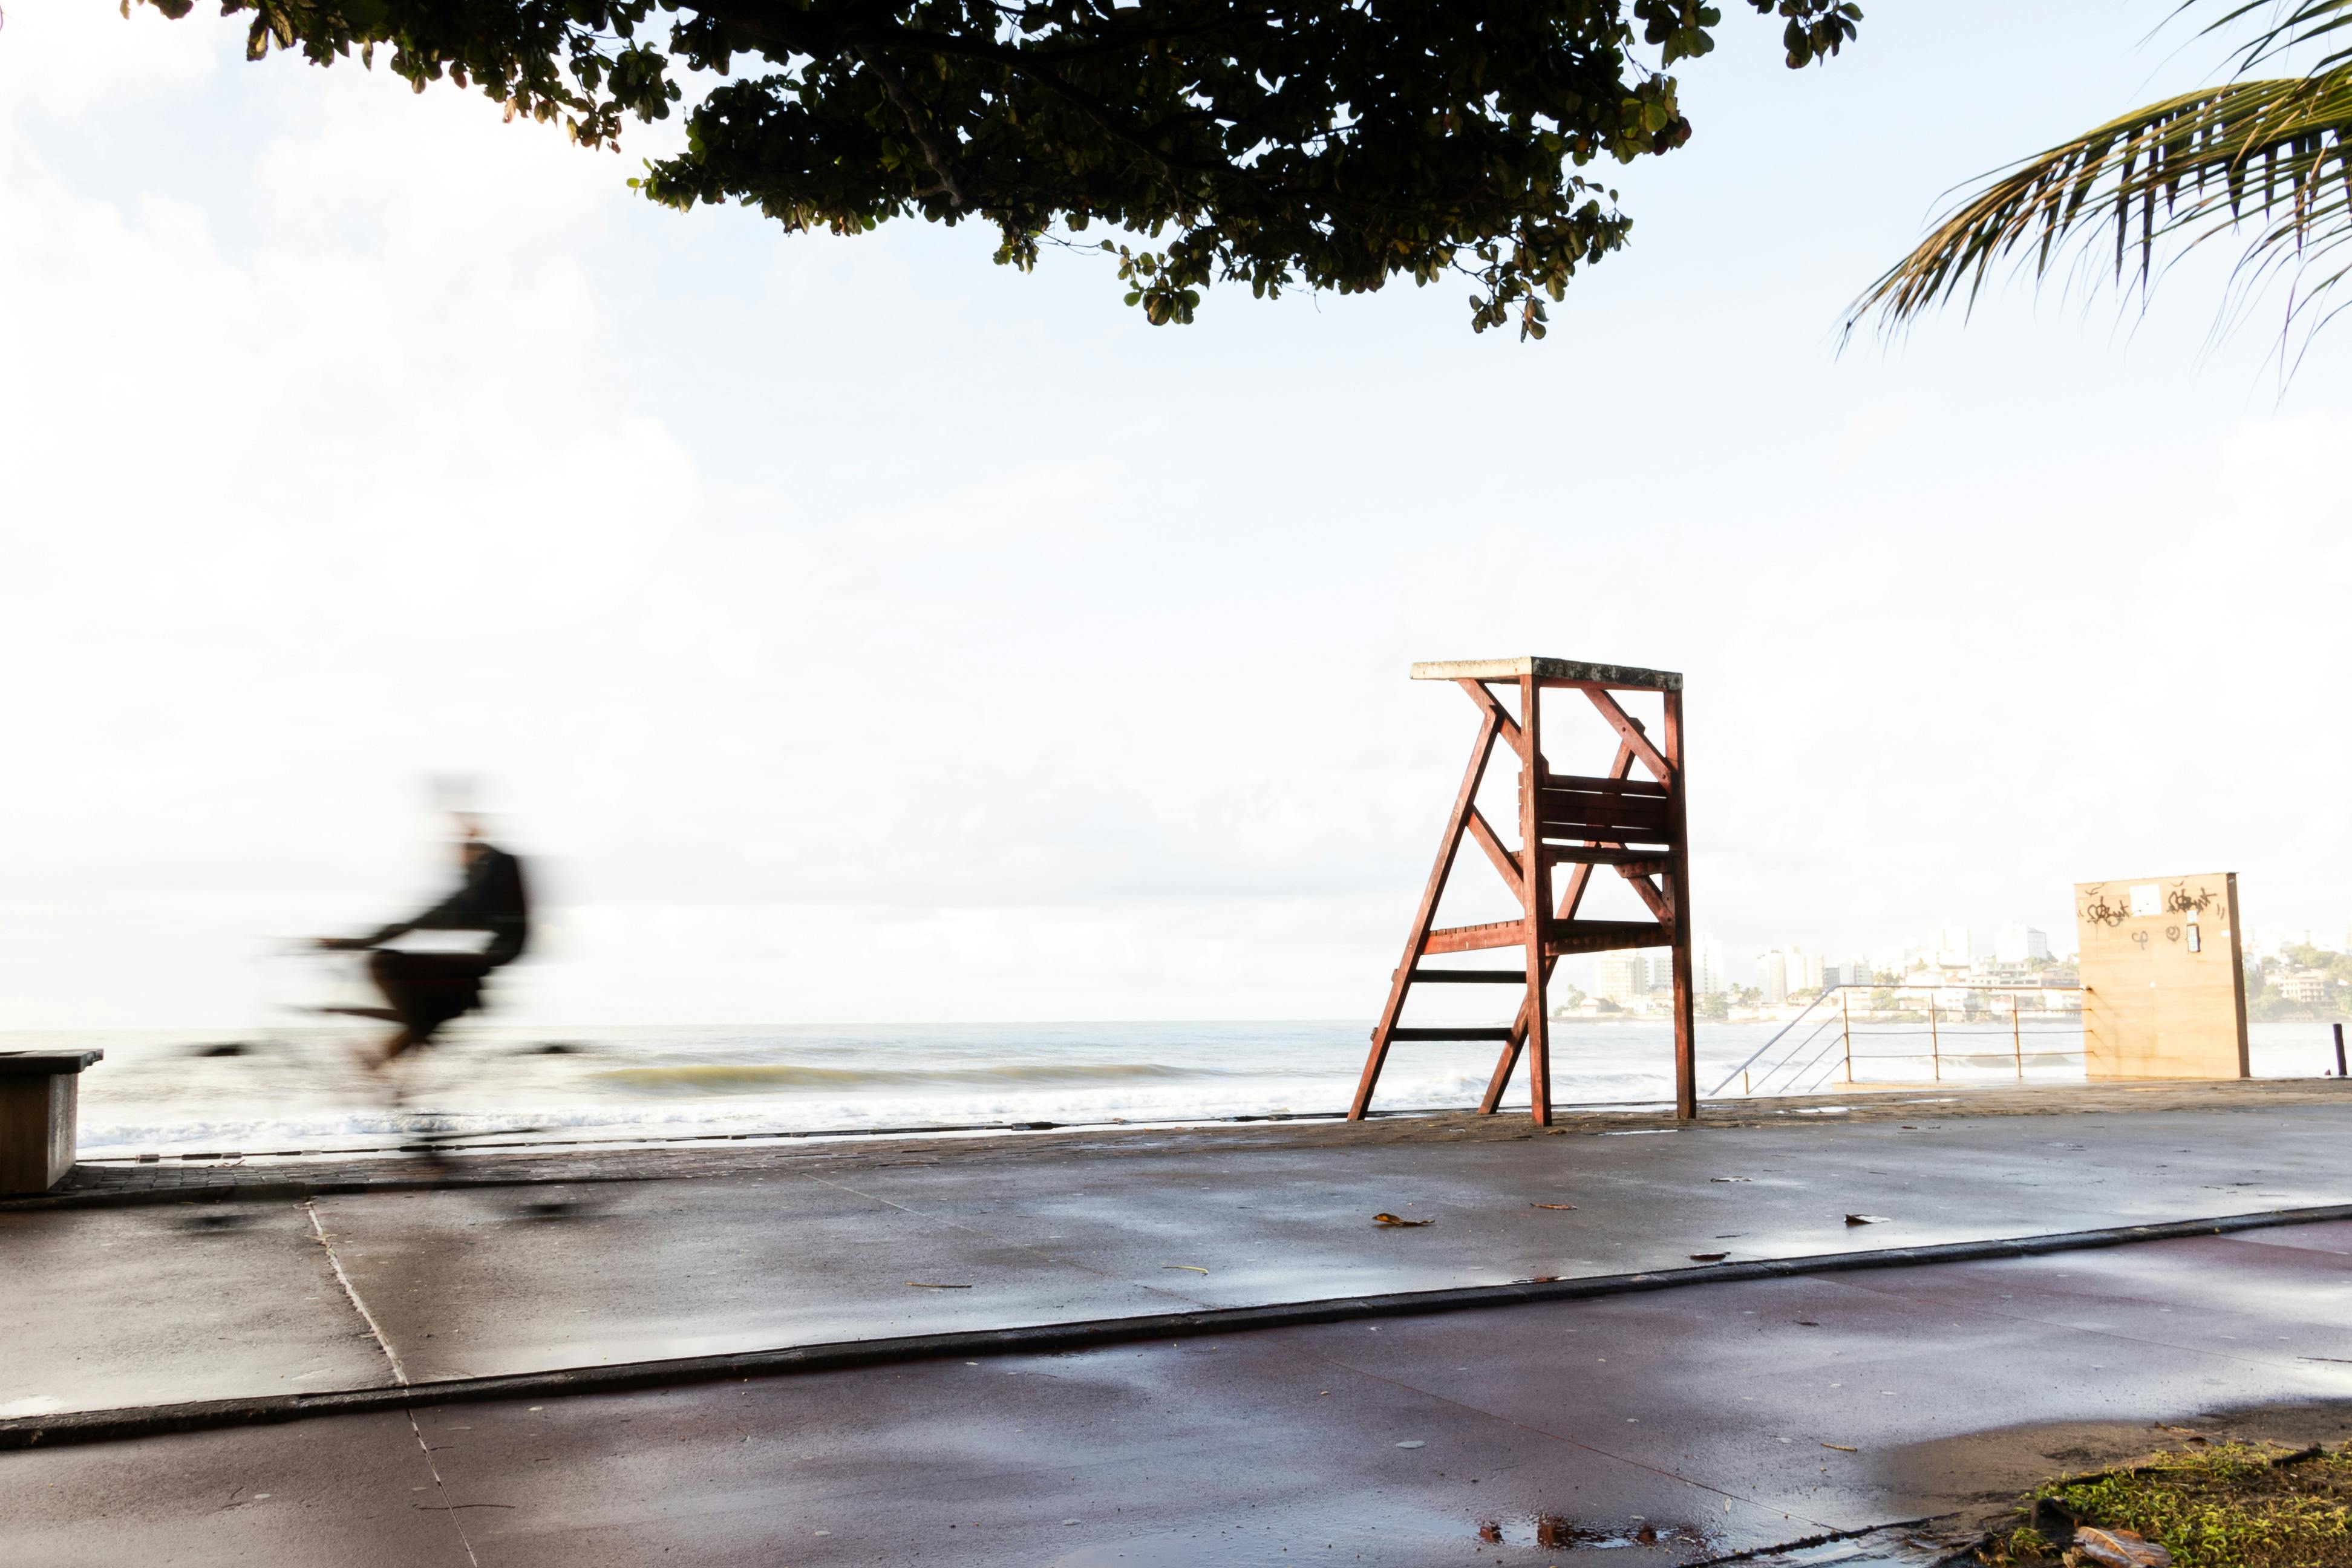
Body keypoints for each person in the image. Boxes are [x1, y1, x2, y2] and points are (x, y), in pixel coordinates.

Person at [318, 814, 530, 1069]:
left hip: (485, 962)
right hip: (484, 964)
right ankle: (386, 1068)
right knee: (415, 1020)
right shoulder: (477, 898)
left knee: (387, 967)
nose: (461, 864)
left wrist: (352, 944)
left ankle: (385, 1063)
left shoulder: (481, 896)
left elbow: (416, 922)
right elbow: (417, 922)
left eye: (467, 858)